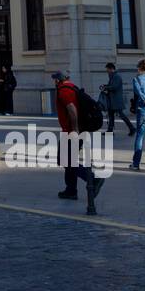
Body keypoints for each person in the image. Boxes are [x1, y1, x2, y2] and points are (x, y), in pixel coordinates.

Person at [52, 70, 105, 200]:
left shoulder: (64, 90)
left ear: (58, 80)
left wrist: (74, 130)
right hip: (77, 129)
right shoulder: (72, 87)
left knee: (66, 160)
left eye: (54, 79)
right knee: (68, 160)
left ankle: (93, 179)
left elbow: (72, 109)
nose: (54, 81)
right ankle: (71, 190)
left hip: (72, 131)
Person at [100, 63, 134, 135]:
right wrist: (105, 85)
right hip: (112, 100)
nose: (107, 71)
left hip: (116, 100)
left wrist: (106, 87)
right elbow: (111, 86)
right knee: (111, 115)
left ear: (111, 69)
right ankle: (110, 131)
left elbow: (114, 87)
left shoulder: (117, 77)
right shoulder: (112, 76)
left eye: (108, 69)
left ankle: (132, 128)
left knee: (122, 115)